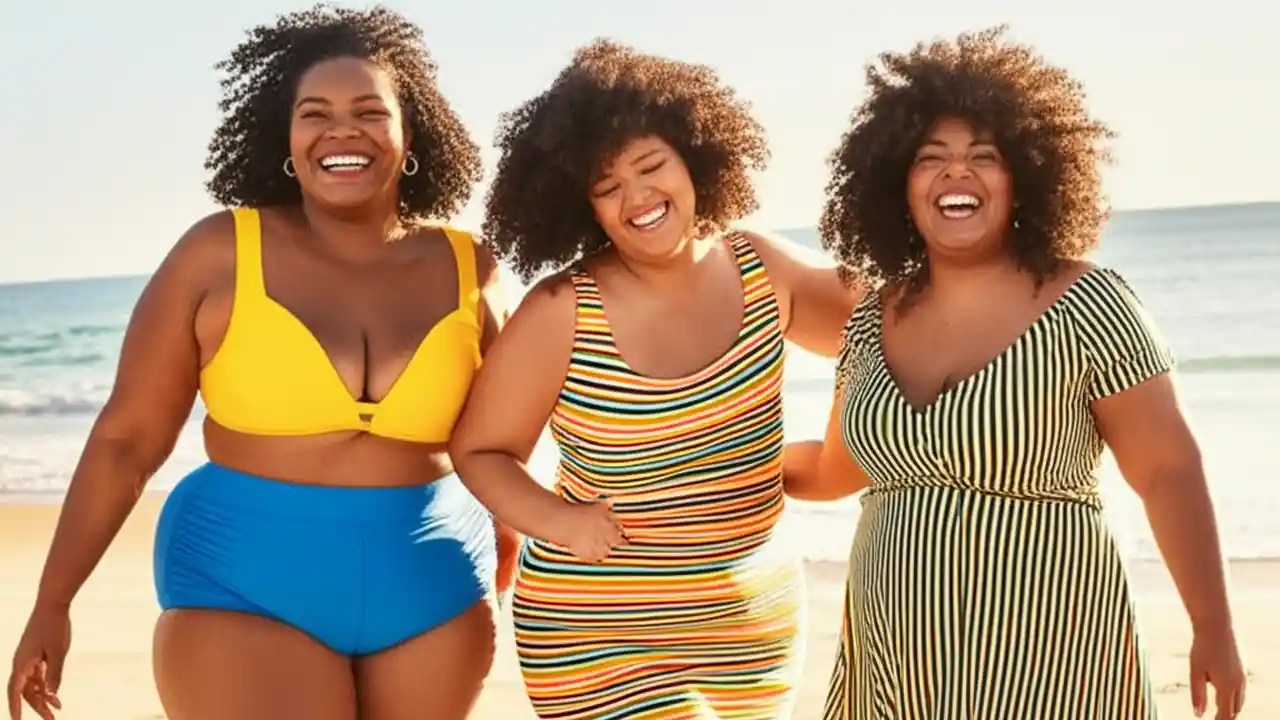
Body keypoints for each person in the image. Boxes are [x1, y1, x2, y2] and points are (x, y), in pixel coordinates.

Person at [7, 6, 519, 720]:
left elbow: (503, 442)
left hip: (433, 586)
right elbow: (127, 441)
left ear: (410, 138)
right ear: (286, 139)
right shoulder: (217, 253)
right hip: (244, 583)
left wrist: (526, 543)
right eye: (315, 113)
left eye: (370, 111)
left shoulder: (473, 268)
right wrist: (53, 602)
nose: (342, 130)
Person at [781, 25, 1248, 720]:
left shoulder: (1091, 302)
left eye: (984, 156)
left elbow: (1167, 470)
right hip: (894, 657)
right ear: (897, 186)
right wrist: (720, 459)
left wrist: (1213, 624)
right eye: (929, 158)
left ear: (1026, 177)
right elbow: (834, 470)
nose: (955, 173)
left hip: (1053, 651)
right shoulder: (871, 320)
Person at [448, 40, 858, 720]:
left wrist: (832, 458)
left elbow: (880, 334)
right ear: (585, 207)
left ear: (694, 157)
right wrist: (557, 520)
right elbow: (480, 451)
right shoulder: (561, 310)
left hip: (753, 625)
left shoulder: (761, 267)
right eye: (607, 188)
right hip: (600, 632)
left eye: (650, 166)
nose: (636, 197)